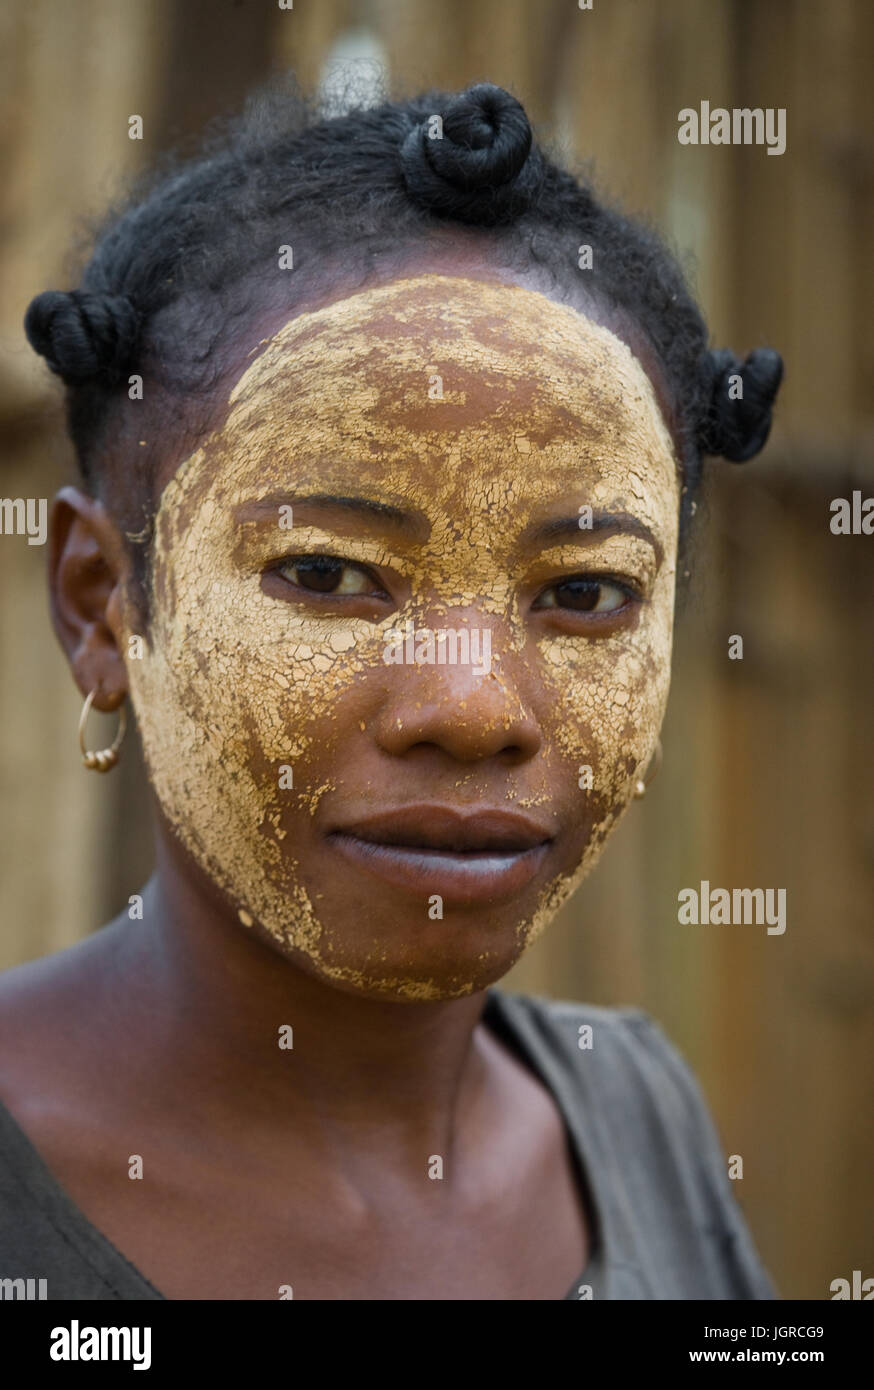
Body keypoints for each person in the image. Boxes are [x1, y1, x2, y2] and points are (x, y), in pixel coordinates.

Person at [1, 80, 782, 1299]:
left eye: (583, 593)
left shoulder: (637, 1118)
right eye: (327, 572)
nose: (474, 709)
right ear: (104, 603)